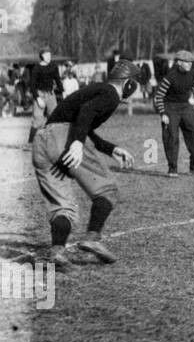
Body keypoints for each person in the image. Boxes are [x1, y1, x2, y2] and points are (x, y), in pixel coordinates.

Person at [31, 58, 139, 270]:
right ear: (129, 83)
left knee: (63, 207)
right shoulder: (110, 94)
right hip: (64, 137)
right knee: (107, 190)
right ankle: (92, 238)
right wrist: (77, 144)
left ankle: (57, 252)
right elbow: (86, 113)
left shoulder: (97, 89)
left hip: (42, 141)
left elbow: (84, 121)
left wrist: (111, 149)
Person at [153, 50, 194, 178]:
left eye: (191, 62)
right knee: (172, 137)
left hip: (185, 106)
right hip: (170, 107)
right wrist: (163, 114)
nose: (190, 64)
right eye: (187, 62)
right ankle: (173, 168)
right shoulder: (170, 77)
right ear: (179, 63)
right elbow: (159, 96)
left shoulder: (192, 74)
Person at [27, 48, 63, 147]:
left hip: (51, 95)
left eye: (50, 55)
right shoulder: (36, 68)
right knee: (38, 119)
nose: (49, 57)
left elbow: (58, 80)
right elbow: (32, 85)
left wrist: (63, 91)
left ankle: (53, 143)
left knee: (54, 118)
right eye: (47, 55)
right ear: (42, 56)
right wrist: (38, 98)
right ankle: (30, 143)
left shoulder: (53, 67)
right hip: (40, 94)